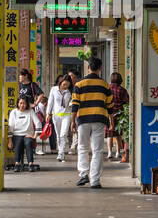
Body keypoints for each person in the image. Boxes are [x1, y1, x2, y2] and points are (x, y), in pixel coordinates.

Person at [71, 55, 113, 188]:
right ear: (100, 68)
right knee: (98, 150)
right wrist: (111, 121)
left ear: (88, 67)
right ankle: (95, 180)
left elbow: (75, 104)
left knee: (82, 147)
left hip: (83, 119)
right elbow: (110, 105)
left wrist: (73, 121)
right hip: (99, 119)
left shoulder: (79, 84)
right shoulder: (104, 85)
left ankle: (83, 174)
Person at [46, 74, 74, 162]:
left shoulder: (70, 92)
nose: (65, 87)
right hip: (56, 115)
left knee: (63, 134)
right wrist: (48, 113)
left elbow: (73, 103)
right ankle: (60, 151)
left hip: (66, 115)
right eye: (64, 84)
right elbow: (50, 102)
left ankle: (61, 153)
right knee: (58, 135)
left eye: (67, 85)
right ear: (61, 82)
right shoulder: (54, 89)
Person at [7, 95, 39, 172]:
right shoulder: (13, 112)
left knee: (28, 143)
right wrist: (10, 141)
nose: (22, 105)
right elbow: (11, 127)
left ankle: (30, 164)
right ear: (17, 103)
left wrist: (34, 136)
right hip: (17, 134)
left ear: (27, 104)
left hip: (28, 135)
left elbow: (38, 123)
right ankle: (17, 164)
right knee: (18, 143)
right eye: (20, 103)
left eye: (24, 103)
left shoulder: (30, 111)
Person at [106, 71, 130, 161]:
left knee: (109, 134)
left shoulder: (107, 88)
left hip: (108, 113)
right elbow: (127, 101)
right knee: (118, 134)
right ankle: (118, 152)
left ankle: (109, 152)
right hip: (119, 114)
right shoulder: (122, 90)